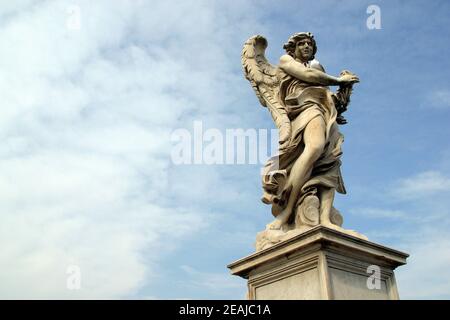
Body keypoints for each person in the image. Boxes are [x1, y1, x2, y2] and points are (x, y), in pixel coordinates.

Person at [261, 32, 359, 230]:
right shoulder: (286, 60)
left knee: (329, 161)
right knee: (314, 149)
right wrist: (339, 80)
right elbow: (308, 76)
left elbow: (328, 96)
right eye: (302, 44)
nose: (307, 46)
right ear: (294, 47)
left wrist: (344, 92)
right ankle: (287, 211)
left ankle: (325, 218)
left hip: (325, 114)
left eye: (310, 44)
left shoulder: (317, 68)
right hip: (306, 110)